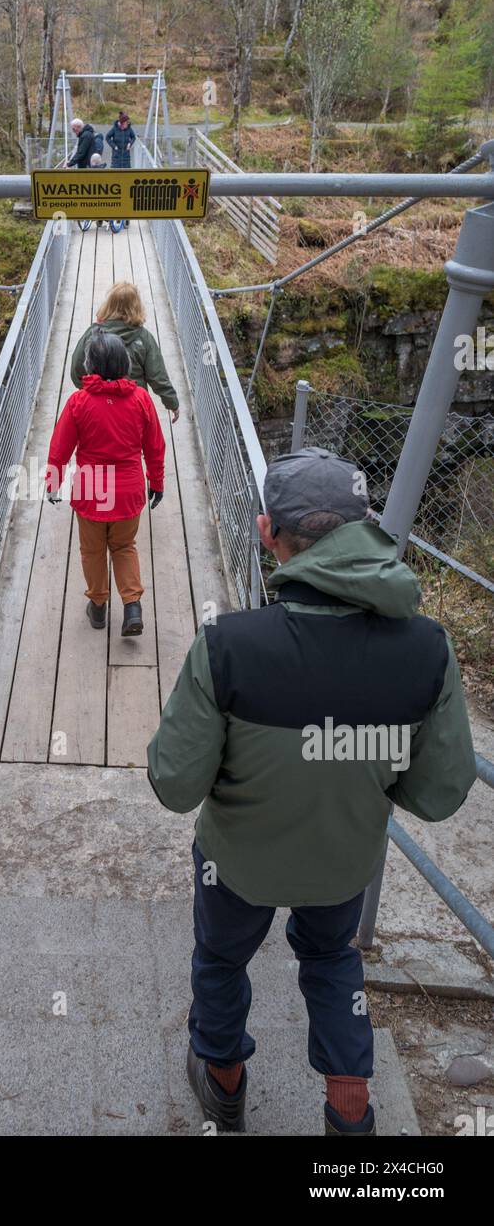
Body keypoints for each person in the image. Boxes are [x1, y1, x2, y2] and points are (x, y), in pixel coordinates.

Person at [147, 447, 477, 1137]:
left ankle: (224, 1085)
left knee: (221, 957)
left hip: (236, 863)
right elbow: (441, 793)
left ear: (268, 534)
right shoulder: (426, 649)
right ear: (366, 527)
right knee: (330, 960)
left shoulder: (228, 646)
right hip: (344, 861)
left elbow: (176, 786)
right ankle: (350, 1116)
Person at [45, 330, 164, 637]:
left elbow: (60, 447)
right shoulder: (141, 400)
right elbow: (155, 446)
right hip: (128, 491)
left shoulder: (78, 402)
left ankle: (98, 607)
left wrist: (53, 481)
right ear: (124, 362)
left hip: (91, 490)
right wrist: (158, 482)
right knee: (124, 546)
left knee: (92, 550)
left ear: (89, 365)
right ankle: (132, 605)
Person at [70, 282, 180, 421]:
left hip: (97, 406)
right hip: (133, 404)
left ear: (109, 304)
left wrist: (89, 391)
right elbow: (157, 376)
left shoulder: (93, 334)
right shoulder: (144, 338)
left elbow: (77, 369)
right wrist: (172, 402)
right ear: (136, 307)